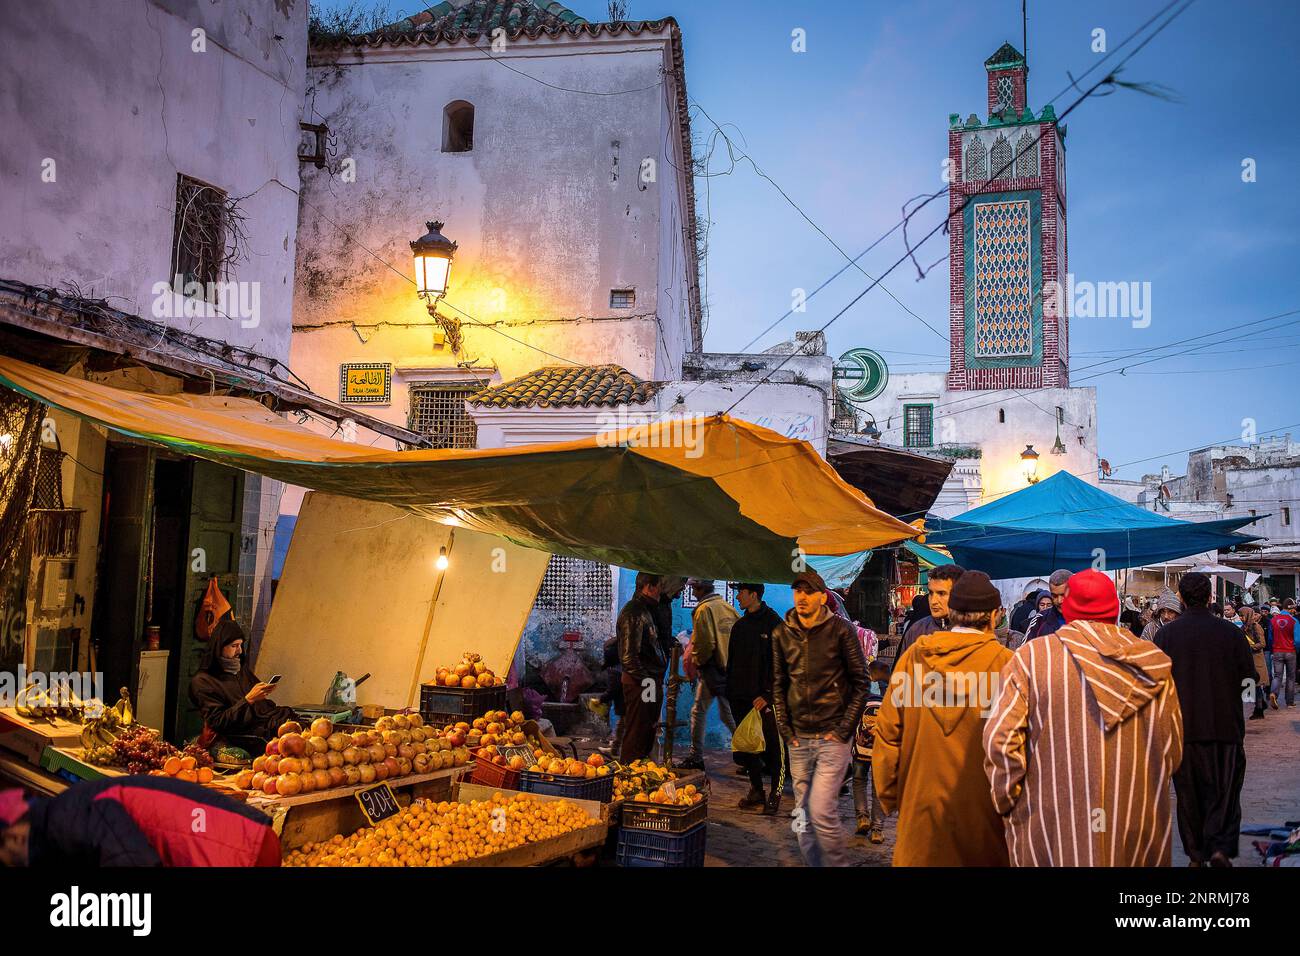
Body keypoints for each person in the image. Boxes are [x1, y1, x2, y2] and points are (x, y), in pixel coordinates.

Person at [983, 570, 1184, 866]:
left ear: (1068, 606)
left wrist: (1010, 802)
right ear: (1115, 608)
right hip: (1133, 828)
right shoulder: (1152, 664)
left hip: (1051, 833)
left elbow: (1001, 744)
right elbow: (1172, 751)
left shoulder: (1031, 660)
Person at [873, 570, 1012, 867]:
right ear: (994, 617)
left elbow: (887, 733)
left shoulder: (914, 660)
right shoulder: (1007, 668)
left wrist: (892, 797)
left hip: (921, 824)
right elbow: (1013, 751)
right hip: (983, 831)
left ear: (954, 612)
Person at [1155, 572, 1256, 867]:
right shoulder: (1232, 634)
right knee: (1225, 793)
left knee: (1189, 796)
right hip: (1226, 729)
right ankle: (1219, 849)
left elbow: (1157, 682)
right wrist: (1243, 706)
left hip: (1183, 731)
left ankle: (1196, 855)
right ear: (1211, 597)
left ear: (1182, 599)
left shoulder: (1166, 636)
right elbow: (1248, 681)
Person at [772, 569, 869, 867]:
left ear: (821, 596)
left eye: (808, 591)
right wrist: (786, 730)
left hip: (832, 736)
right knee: (802, 812)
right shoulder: (782, 633)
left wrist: (843, 730)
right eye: (797, 591)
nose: (801, 596)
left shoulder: (841, 630)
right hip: (798, 738)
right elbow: (778, 684)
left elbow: (861, 681)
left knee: (822, 810)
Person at [0, 776, 281, 866]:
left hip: (239, 848)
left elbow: (133, 862)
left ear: (15, 835)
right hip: (244, 838)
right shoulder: (64, 812)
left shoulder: (65, 817)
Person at [726, 583, 784, 815]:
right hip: (740, 698)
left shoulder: (774, 624)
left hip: (765, 701)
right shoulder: (739, 626)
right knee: (747, 746)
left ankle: (775, 793)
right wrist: (730, 691)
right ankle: (756, 789)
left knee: (773, 749)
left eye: (741, 591)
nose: (737, 595)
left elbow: (782, 665)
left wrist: (768, 695)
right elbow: (732, 664)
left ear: (754, 594)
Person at [189, 617, 295, 742]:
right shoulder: (203, 681)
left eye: (240, 645)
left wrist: (263, 691)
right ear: (219, 647)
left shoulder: (240, 670)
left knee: (293, 720)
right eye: (234, 646)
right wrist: (249, 699)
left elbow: (261, 706)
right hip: (242, 733)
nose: (239, 650)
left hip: (263, 720)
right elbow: (218, 722)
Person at [680, 579, 738, 770]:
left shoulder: (703, 610)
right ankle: (749, 753)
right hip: (728, 669)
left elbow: (705, 643)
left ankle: (696, 756)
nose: (693, 592)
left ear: (700, 589)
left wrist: (697, 662)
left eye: (694, 589)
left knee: (699, 712)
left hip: (712, 669)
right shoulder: (727, 608)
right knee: (727, 714)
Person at [618, 572, 666, 763]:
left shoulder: (645, 611)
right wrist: (648, 683)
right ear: (649, 586)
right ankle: (628, 776)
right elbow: (629, 658)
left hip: (648, 682)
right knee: (637, 732)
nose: (660, 592)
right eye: (659, 587)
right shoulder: (634, 612)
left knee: (647, 730)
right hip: (641, 683)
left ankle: (639, 774)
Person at [892, 564, 966, 669]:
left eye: (941, 593)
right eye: (931, 593)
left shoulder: (974, 631)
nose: (933, 601)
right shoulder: (916, 629)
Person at [852, 658, 891, 843]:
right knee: (878, 788)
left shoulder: (861, 690)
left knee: (859, 781)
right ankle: (877, 830)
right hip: (881, 749)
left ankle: (862, 818)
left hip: (861, 747)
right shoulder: (891, 693)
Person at [1024, 569, 1071, 641]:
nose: (1059, 601)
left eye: (1063, 595)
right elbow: (1026, 650)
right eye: (1054, 596)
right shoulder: (1040, 619)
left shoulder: (1087, 620)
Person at [1239, 606, 1268, 721]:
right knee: (1252, 685)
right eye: (1240, 615)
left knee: (1256, 686)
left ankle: (1259, 709)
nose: (1241, 618)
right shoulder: (1243, 628)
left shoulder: (1256, 627)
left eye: (1242, 615)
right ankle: (1260, 705)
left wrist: (1249, 647)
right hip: (1249, 660)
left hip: (1257, 660)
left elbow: (1262, 644)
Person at [1268, 599, 1297, 709]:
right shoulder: (1294, 620)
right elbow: (1298, 639)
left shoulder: (1273, 620)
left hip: (1277, 651)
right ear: (1290, 607)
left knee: (1277, 675)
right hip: (1290, 651)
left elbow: (1270, 638)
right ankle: (1289, 702)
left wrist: (1273, 648)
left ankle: (1273, 694)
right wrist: (1295, 648)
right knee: (1290, 677)